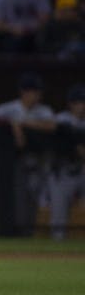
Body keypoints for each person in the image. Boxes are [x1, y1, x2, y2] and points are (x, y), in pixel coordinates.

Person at [0, 72, 56, 236]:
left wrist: (22, 124)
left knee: (33, 196)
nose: (36, 95)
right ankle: (14, 230)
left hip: (37, 159)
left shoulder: (44, 110)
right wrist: (12, 124)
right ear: (23, 92)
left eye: (38, 92)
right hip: (12, 161)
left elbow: (52, 126)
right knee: (15, 196)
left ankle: (28, 230)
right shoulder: (11, 107)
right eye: (32, 91)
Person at [48, 84, 85, 240]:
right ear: (71, 104)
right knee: (59, 219)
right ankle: (58, 244)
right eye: (78, 102)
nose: (82, 106)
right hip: (63, 171)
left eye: (83, 102)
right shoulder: (61, 119)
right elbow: (55, 128)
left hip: (82, 170)